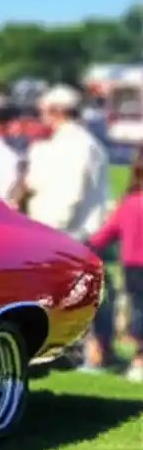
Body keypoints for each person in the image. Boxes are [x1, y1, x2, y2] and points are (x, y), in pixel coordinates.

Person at [25, 84, 112, 370]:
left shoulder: (76, 146)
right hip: (75, 233)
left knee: (80, 301)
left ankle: (90, 356)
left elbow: (70, 194)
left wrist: (50, 232)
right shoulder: (81, 143)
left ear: (56, 111)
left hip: (70, 235)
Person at [87, 150, 143, 382]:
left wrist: (87, 247)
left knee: (139, 310)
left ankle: (139, 361)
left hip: (133, 267)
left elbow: (106, 234)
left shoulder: (129, 203)